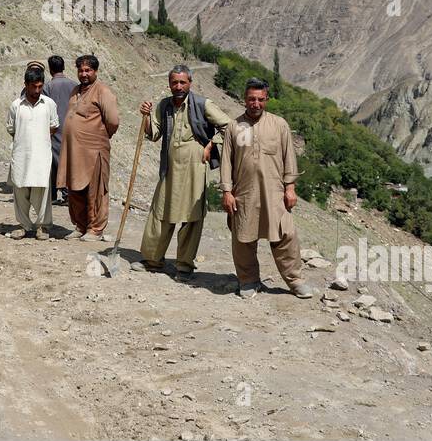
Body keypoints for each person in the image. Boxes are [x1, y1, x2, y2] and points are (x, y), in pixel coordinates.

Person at [219, 78, 314, 299]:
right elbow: (226, 162)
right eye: (251, 99)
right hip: (244, 193)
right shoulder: (235, 126)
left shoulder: (279, 125)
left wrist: (290, 188)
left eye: (260, 99)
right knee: (243, 237)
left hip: (275, 193)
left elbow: (289, 158)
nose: (256, 103)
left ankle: (295, 280)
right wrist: (226, 192)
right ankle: (248, 280)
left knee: (285, 235)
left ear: (267, 100)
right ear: (245, 99)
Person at [134, 65, 229, 278]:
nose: (178, 86)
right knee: (161, 212)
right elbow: (155, 133)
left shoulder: (203, 104)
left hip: (194, 166)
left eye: (182, 82)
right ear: (169, 84)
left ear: (190, 83)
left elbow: (228, 126)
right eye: (174, 82)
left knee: (191, 216)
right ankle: (152, 260)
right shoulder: (164, 105)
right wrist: (146, 117)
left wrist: (211, 144)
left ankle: (184, 265)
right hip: (169, 166)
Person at [55, 54, 119, 240]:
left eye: (88, 70)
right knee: (75, 188)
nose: (84, 74)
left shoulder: (103, 91)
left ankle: (95, 229)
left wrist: (96, 135)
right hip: (73, 151)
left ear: (95, 71)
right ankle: (80, 225)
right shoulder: (76, 90)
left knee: (95, 189)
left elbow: (113, 121)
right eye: (81, 70)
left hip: (94, 150)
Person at [6, 65, 60, 239]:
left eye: (40, 86)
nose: (37, 90)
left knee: (42, 191)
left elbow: (53, 126)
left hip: (41, 156)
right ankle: (23, 225)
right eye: (33, 86)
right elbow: (12, 129)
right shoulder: (16, 105)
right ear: (26, 84)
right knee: (20, 190)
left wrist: (39, 140)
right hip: (21, 155)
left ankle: (42, 227)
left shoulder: (49, 104)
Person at [43, 55, 77, 205]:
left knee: (55, 160)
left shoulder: (48, 87)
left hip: (54, 128)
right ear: (63, 67)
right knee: (70, 159)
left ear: (50, 69)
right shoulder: (74, 85)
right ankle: (68, 193)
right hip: (72, 127)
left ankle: (60, 194)